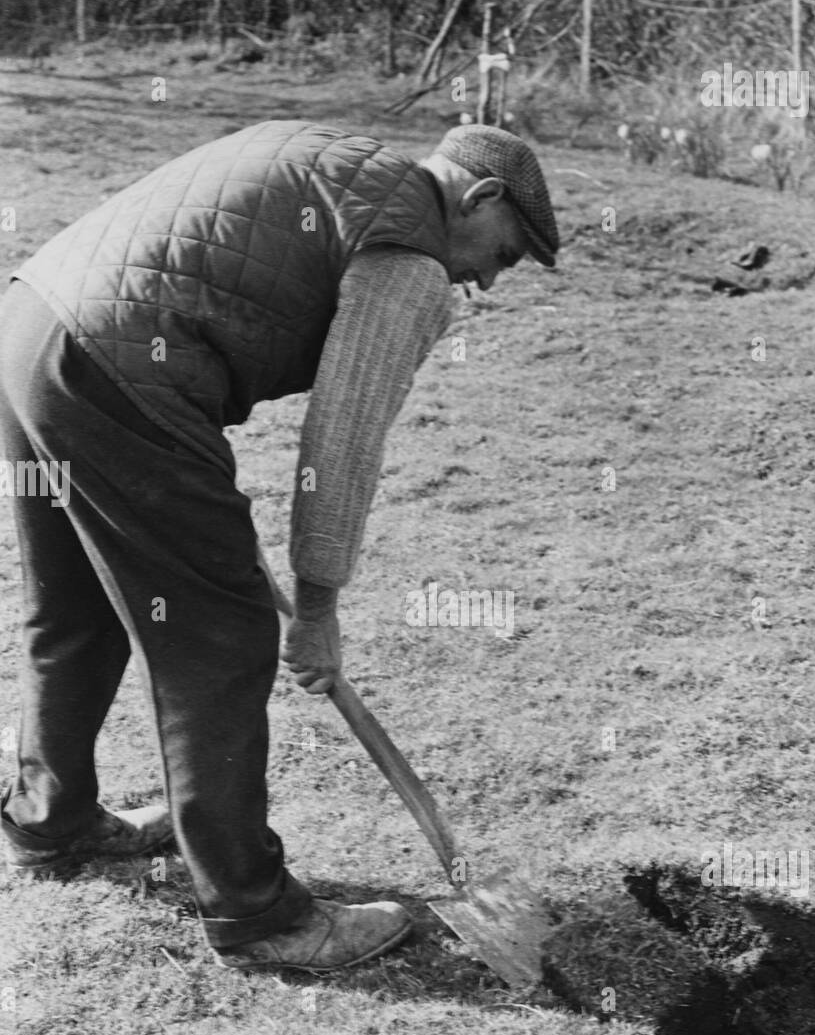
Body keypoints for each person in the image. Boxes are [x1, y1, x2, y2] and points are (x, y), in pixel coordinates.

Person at [0, 120, 559, 972]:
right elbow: (342, 442)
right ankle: (258, 917)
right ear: (478, 197)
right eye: (503, 254)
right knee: (218, 637)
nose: (482, 280)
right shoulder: (408, 251)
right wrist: (319, 607)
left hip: (29, 330)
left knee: (74, 605)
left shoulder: (326, 153)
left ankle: (52, 820)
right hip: (116, 366)